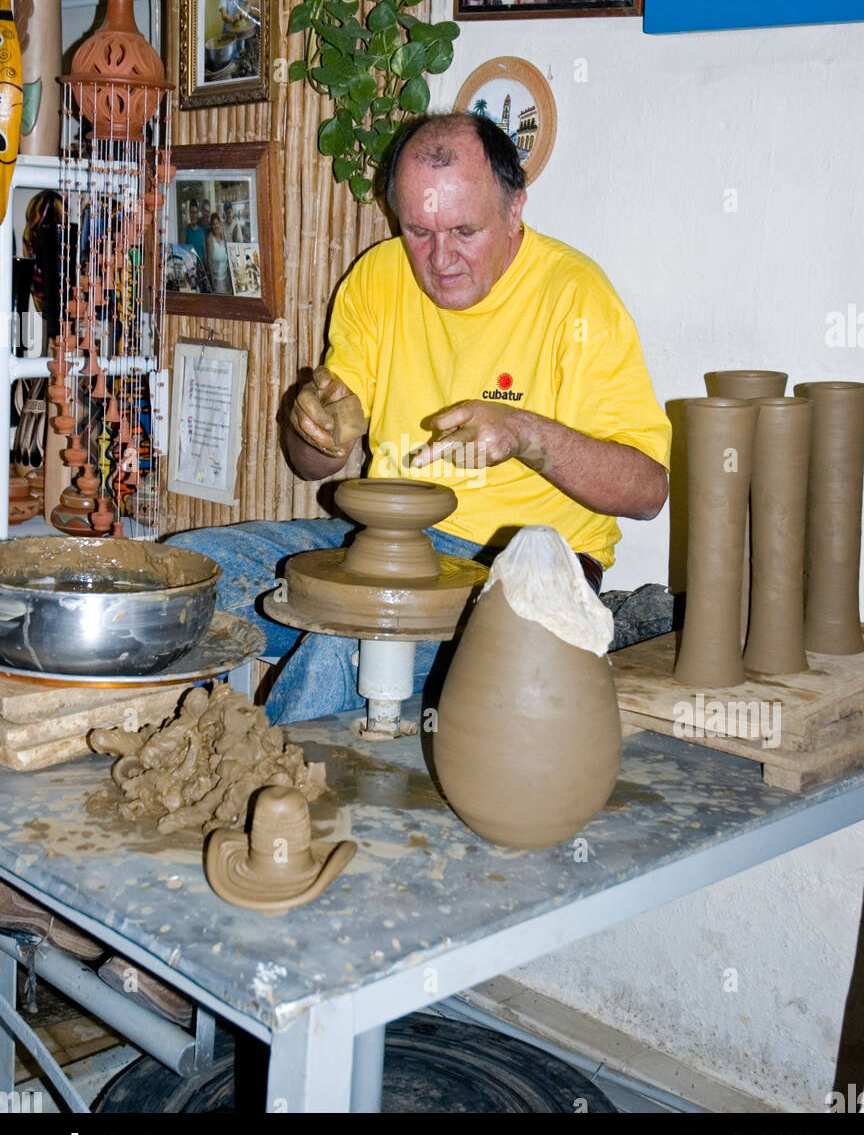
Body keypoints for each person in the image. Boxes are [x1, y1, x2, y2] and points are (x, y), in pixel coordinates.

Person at [169, 114, 670, 724]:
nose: (440, 259)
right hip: (384, 549)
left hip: (526, 569)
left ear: (516, 211)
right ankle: (191, 759)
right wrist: (316, 431)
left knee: (346, 647)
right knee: (190, 578)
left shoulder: (575, 297)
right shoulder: (378, 278)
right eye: (418, 231)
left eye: (464, 230)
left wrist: (526, 435)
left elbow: (647, 493)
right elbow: (311, 466)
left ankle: (270, 799)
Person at [205, 212, 231, 293]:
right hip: (216, 281)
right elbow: (209, 261)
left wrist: (229, 280)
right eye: (213, 224)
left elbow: (229, 258)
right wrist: (213, 283)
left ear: (220, 224)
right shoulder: (210, 238)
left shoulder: (224, 237)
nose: (216, 226)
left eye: (217, 223)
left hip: (226, 279)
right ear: (212, 226)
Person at [183, 199, 206, 265]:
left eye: (195, 212)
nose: (194, 215)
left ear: (198, 214)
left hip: (201, 268)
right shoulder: (185, 232)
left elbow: (205, 253)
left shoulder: (201, 231)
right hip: (190, 267)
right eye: (192, 212)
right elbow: (182, 252)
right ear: (189, 214)